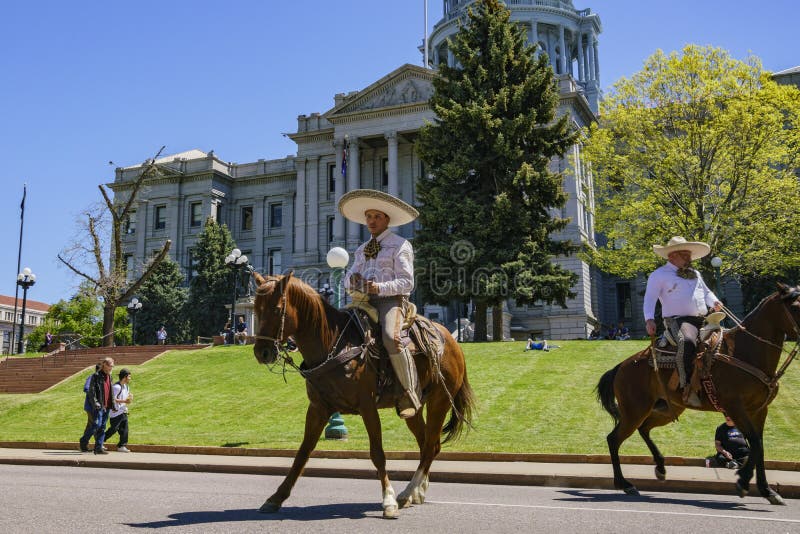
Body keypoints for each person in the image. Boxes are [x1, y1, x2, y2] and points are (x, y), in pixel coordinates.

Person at [340, 188, 421, 419]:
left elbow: (407, 282)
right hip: (362, 301)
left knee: (390, 336)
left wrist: (380, 288)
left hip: (391, 301)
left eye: (377, 217)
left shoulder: (401, 244)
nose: (371, 221)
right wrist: (351, 280)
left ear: (387, 219)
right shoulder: (361, 249)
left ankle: (409, 393)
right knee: (338, 329)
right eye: (368, 217)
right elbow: (348, 277)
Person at [643, 236, 722, 406]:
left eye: (689, 255)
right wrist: (649, 319)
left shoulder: (696, 274)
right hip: (678, 321)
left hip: (704, 319)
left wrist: (714, 302)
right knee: (686, 342)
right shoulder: (659, 275)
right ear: (672, 256)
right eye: (684, 255)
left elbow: (707, 293)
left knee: (726, 340)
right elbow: (649, 299)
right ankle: (687, 387)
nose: (689, 258)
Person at [79, 357, 115, 455]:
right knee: (96, 425)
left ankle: (98, 448)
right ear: (104, 365)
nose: (111, 368)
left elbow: (110, 391)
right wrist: (95, 403)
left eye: (112, 366)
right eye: (110, 366)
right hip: (99, 405)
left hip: (107, 406)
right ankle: (83, 441)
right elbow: (91, 391)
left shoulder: (110, 377)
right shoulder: (96, 376)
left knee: (102, 426)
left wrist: (113, 404)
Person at [105, 368, 133, 453]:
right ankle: (100, 441)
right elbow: (112, 399)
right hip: (115, 412)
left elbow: (126, 396)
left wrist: (130, 397)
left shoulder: (126, 386)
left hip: (123, 411)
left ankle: (122, 446)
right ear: (125, 377)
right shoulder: (116, 387)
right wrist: (124, 401)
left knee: (125, 430)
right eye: (129, 376)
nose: (130, 378)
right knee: (113, 429)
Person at [79, 363, 101, 452]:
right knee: (95, 425)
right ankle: (95, 444)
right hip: (91, 407)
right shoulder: (92, 377)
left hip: (98, 407)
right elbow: (87, 388)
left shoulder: (102, 378)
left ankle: (85, 445)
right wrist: (95, 401)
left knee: (92, 425)